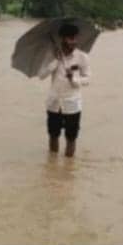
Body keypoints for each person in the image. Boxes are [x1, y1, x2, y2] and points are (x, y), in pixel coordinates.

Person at [37, 23, 90, 157]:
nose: (74, 41)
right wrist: (54, 61)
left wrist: (74, 79)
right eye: (70, 38)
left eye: (75, 38)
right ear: (62, 39)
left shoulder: (82, 57)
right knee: (53, 135)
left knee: (71, 138)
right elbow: (41, 75)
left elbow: (88, 79)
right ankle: (52, 168)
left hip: (72, 104)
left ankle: (68, 170)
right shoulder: (52, 55)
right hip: (54, 103)